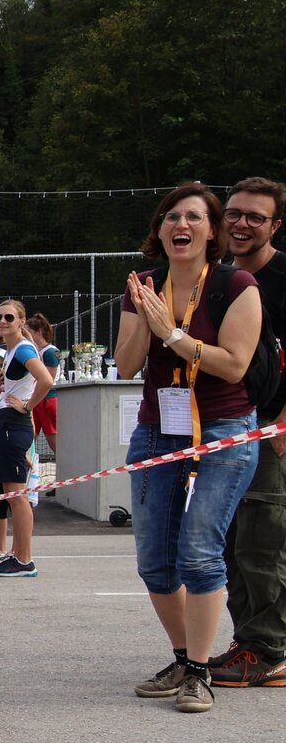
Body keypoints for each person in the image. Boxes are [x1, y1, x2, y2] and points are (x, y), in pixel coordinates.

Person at [116, 183, 261, 715]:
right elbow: (128, 365)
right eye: (171, 217)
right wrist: (144, 318)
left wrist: (172, 334)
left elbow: (235, 364)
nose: (182, 225)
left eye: (194, 217)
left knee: (199, 551)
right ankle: (182, 656)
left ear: (212, 231)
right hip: (159, 430)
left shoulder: (235, 284)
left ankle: (199, 672)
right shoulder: (144, 284)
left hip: (225, 428)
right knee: (155, 560)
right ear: (159, 231)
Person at [214, 177, 286, 688]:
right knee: (232, 539)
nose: (241, 224)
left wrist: (283, 421)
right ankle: (249, 641)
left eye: (254, 217)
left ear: (274, 226)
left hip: (272, 428)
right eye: (234, 214)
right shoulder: (224, 279)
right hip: (229, 426)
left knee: (263, 541)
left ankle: (270, 651)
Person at [0, 300, 53, 577]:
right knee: (12, 495)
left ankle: (25, 560)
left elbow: (46, 381)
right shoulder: (10, 351)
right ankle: (16, 553)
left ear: (21, 321)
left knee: (17, 497)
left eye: (9, 317)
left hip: (15, 425)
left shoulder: (24, 348)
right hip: (6, 425)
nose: (2, 321)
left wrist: (26, 406)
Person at [26, 313, 62, 460]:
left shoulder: (50, 352)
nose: (25, 336)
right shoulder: (34, 351)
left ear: (39, 332)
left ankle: (65, 468)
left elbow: (48, 379)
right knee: (29, 436)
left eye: (28, 332)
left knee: (52, 438)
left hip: (48, 400)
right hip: (36, 399)